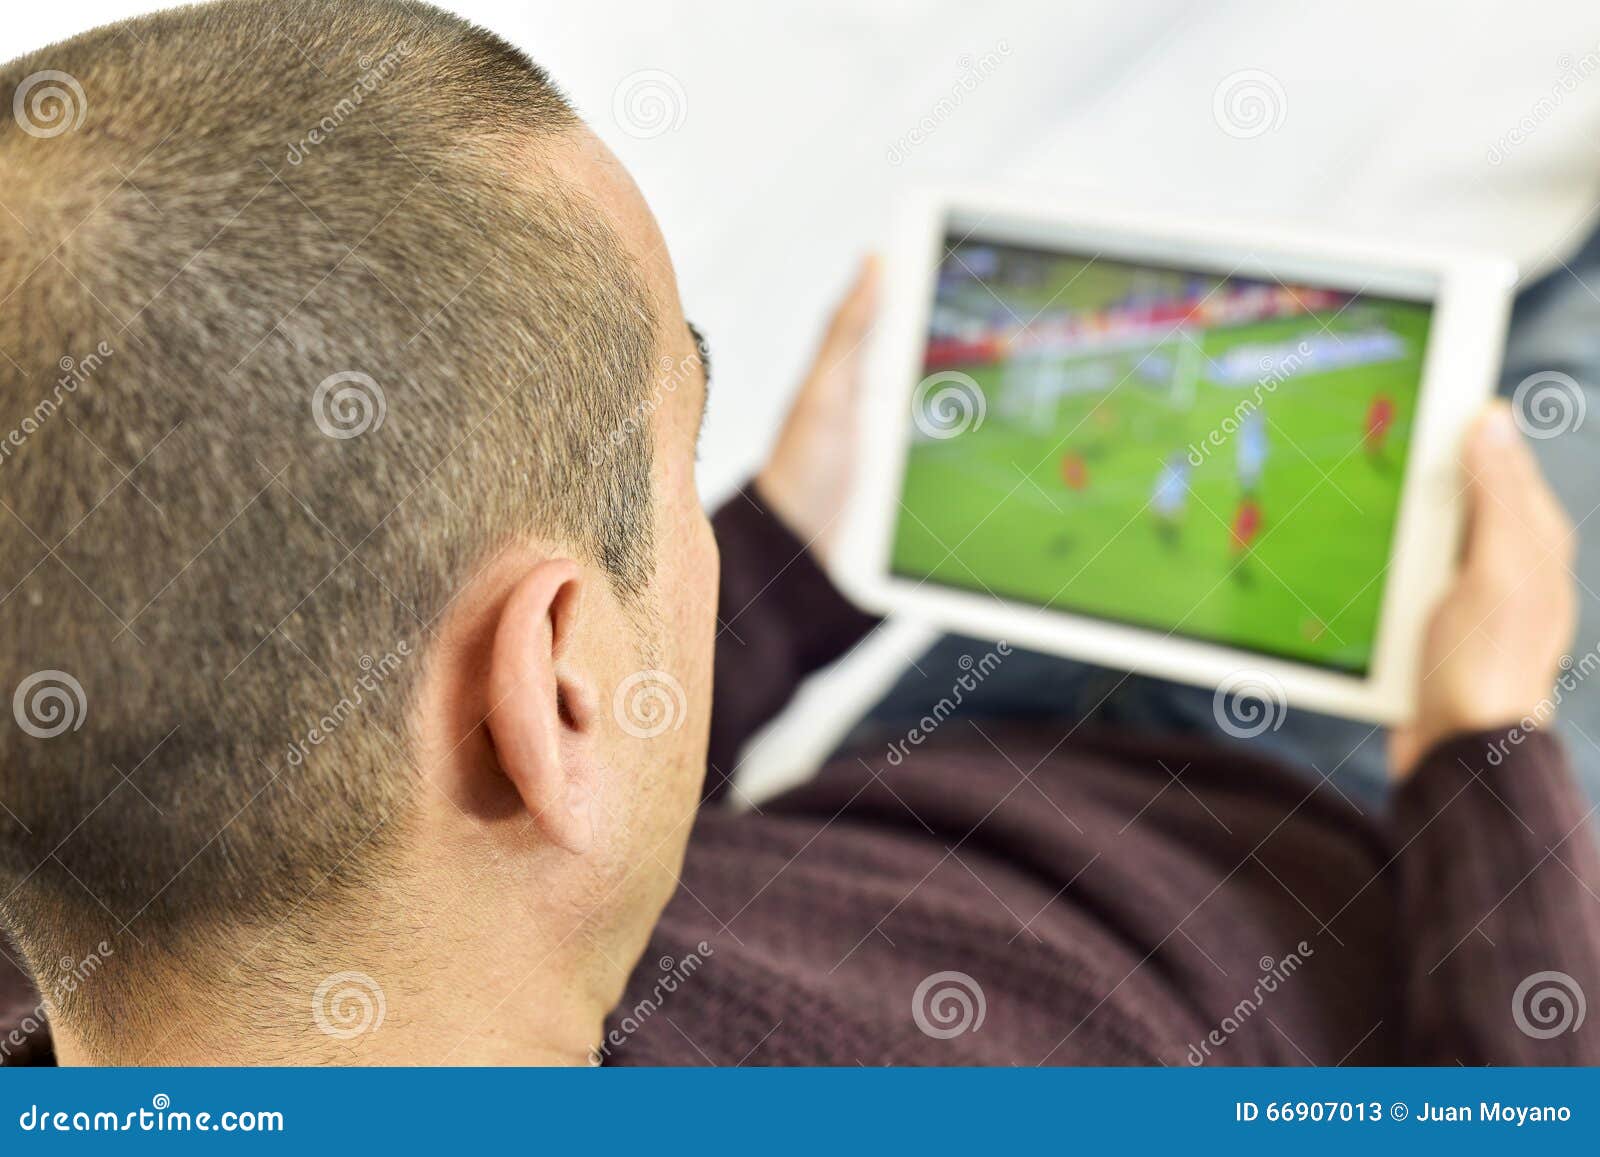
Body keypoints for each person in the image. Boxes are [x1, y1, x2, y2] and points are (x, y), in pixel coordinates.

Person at [2, 0, 1596, 1068]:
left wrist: (787, 544)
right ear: (555, 687)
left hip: (956, 759)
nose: (706, 513)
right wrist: (1484, 748)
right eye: (683, 431)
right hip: (1410, 862)